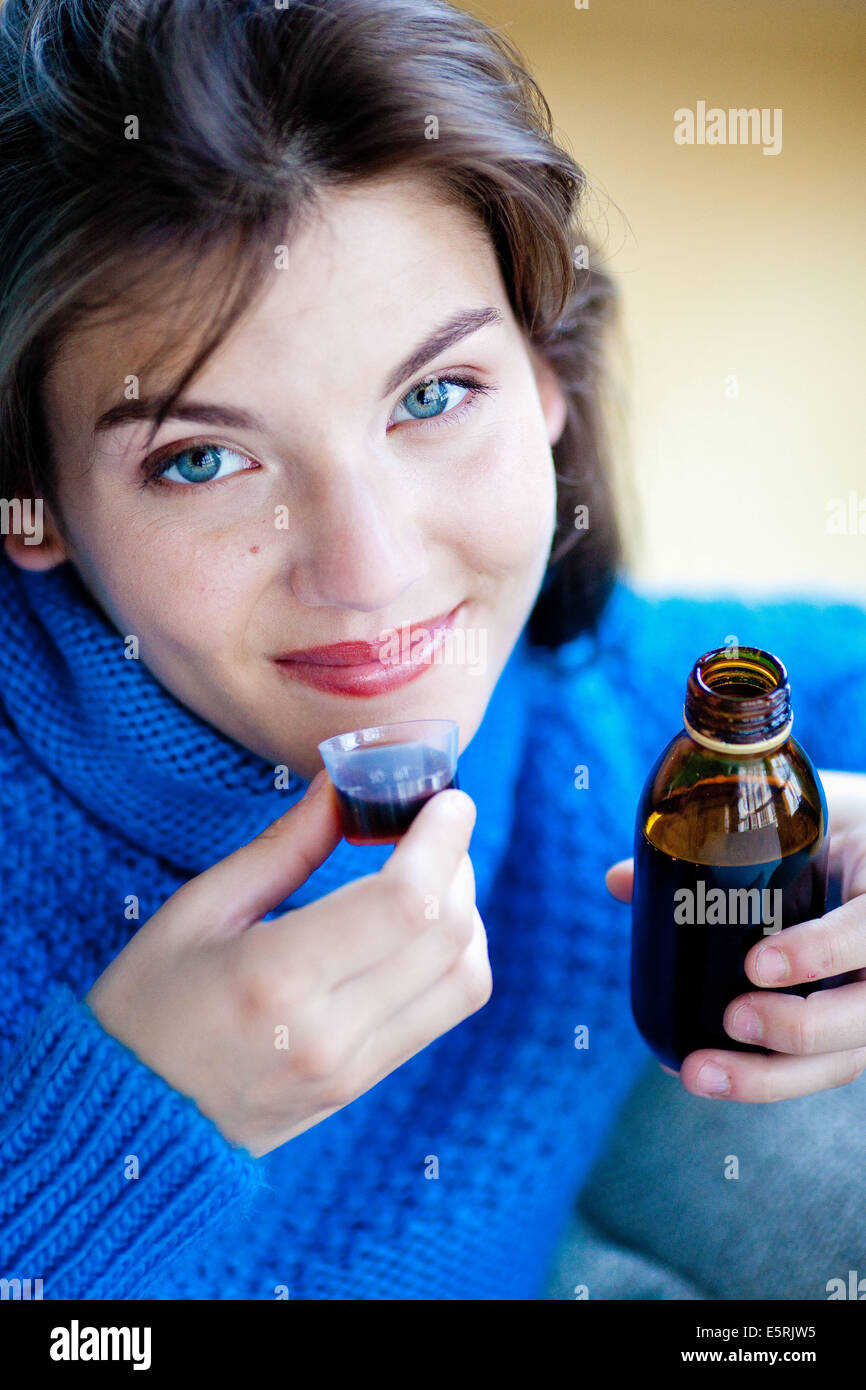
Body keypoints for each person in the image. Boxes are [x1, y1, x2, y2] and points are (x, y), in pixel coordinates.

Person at [1, 0, 865, 1301]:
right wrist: (119, 1134)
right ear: (35, 503)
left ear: (549, 379)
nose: (371, 571)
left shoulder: (583, 706)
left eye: (433, 395)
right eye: (202, 458)